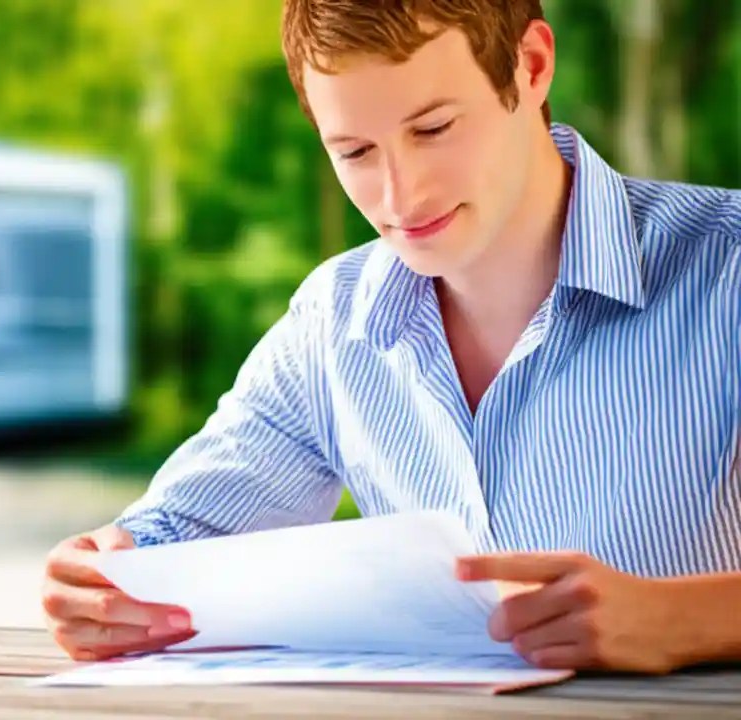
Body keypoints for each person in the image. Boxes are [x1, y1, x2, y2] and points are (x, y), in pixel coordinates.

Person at [42, 0, 741, 673]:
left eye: (433, 129)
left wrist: (683, 619)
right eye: (355, 152)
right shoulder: (332, 324)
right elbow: (171, 544)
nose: (399, 197)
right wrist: (103, 578)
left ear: (530, 66)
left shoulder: (727, 271)